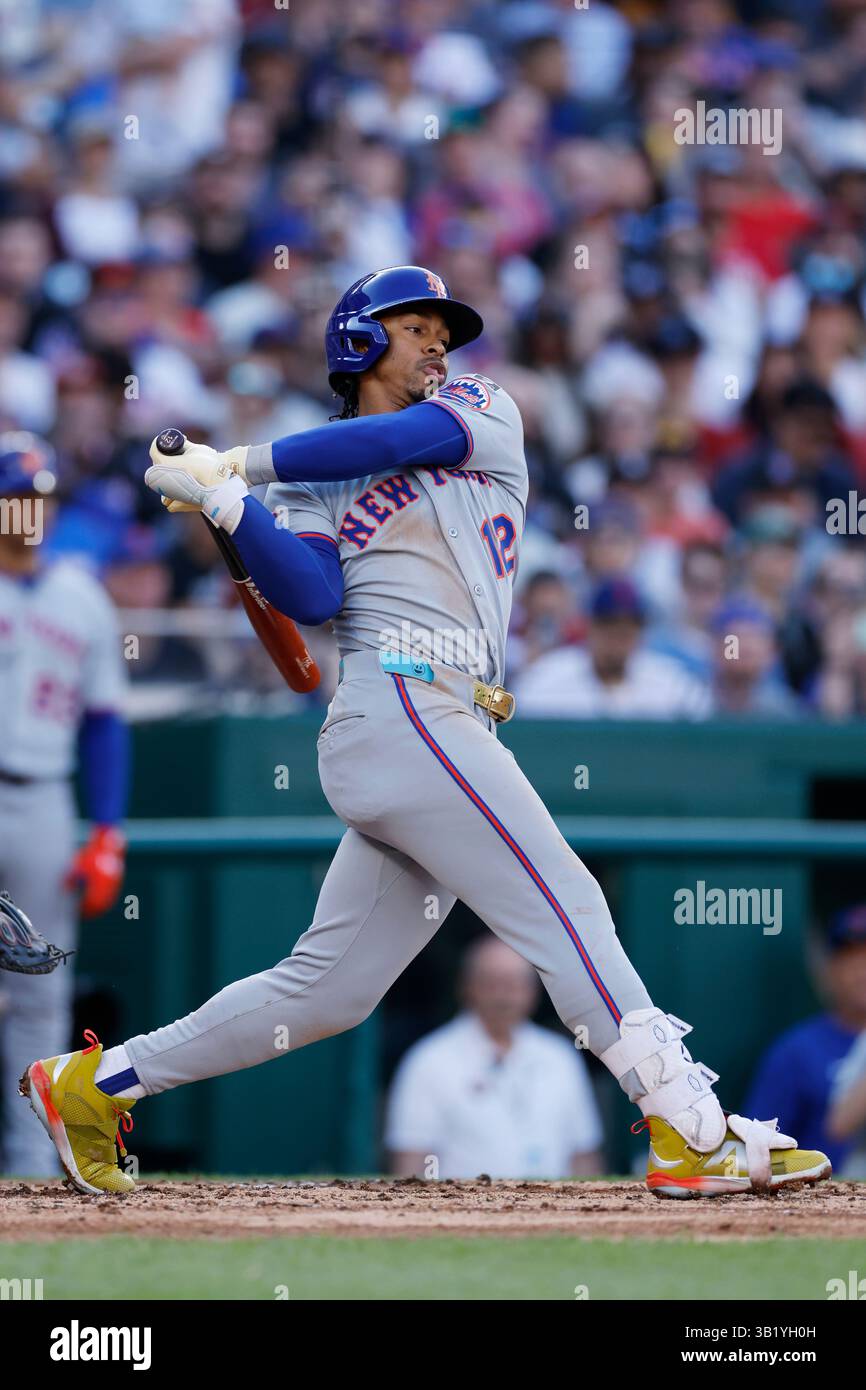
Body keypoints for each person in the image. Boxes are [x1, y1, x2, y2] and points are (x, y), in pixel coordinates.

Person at [19, 266, 829, 1198]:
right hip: (399, 703)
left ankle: (93, 1082)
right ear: (360, 340)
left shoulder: (476, 408)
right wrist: (230, 507)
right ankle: (689, 1128)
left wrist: (237, 466)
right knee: (568, 903)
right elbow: (313, 596)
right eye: (416, 326)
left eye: (445, 328)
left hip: (441, 714)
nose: (441, 342)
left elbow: (407, 436)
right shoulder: (310, 476)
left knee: (324, 992)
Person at [0, 434, 128, 1176]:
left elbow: (105, 719)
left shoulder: (81, 592)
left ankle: (31, 1167)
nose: (29, 510)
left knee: (40, 989)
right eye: (16, 494)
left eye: (38, 495)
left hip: (46, 794)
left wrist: (108, 827)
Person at [386, 937, 604, 1179]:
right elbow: (411, 1162)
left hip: (554, 1212)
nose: (504, 996)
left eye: (514, 984)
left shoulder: (561, 1057)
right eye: (492, 983)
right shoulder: (429, 1060)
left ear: (533, 990)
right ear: (467, 986)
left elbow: (583, 1155)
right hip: (463, 1213)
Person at [744, 905, 866, 1174]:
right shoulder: (797, 1051)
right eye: (852, 957)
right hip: (827, 1197)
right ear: (831, 969)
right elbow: (756, 1149)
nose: (862, 970)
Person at [514, 576, 711, 719]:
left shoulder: (669, 683)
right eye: (610, 627)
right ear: (591, 628)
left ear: (639, 633)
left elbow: (706, 719)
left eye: (627, 631)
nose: (618, 639)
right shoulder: (548, 677)